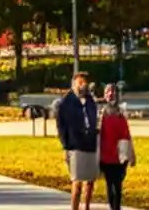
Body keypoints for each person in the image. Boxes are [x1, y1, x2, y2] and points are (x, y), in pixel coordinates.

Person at [57, 71, 100, 210]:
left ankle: (86, 206)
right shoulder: (66, 102)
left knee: (90, 182)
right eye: (80, 83)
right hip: (75, 146)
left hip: (90, 145)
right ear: (74, 84)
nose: (83, 86)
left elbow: (94, 120)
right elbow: (61, 126)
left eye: (85, 83)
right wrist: (66, 145)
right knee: (77, 183)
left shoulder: (90, 101)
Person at [99, 84, 134, 210]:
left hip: (120, 156)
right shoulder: (101, 114)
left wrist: (131, 154)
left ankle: (116, 207)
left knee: (118, 185)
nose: (110, 94)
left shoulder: (121, 114)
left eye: (113, 91)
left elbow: (127, 134)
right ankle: (112, 207)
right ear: (104, 95)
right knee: (110, 184)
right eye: (108, 91)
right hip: (105, 156)